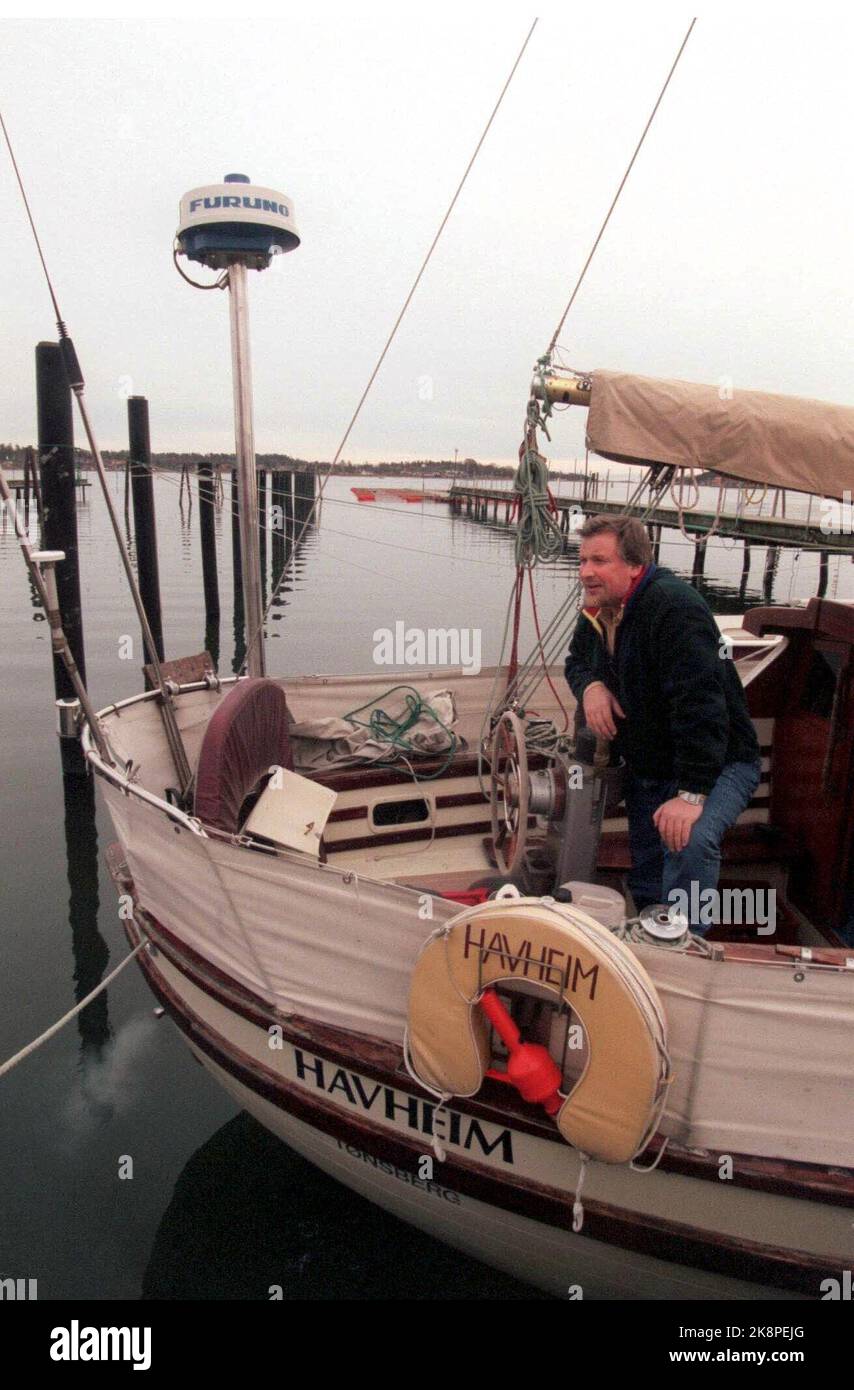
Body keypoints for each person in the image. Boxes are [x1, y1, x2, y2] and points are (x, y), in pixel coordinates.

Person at [564, 515, 761, 932]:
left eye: (599, 561)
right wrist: (592, 686)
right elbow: (576, 661)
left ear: (635, 565)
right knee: (649, 864)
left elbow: (702, 708)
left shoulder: (675, 608)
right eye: (582, 561)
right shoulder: (599, 609)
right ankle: (650, 931)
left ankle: (687, 945)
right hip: (650, 764)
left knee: (688, 843)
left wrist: (691, 796)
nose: (585, 572)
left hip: (718, 762)